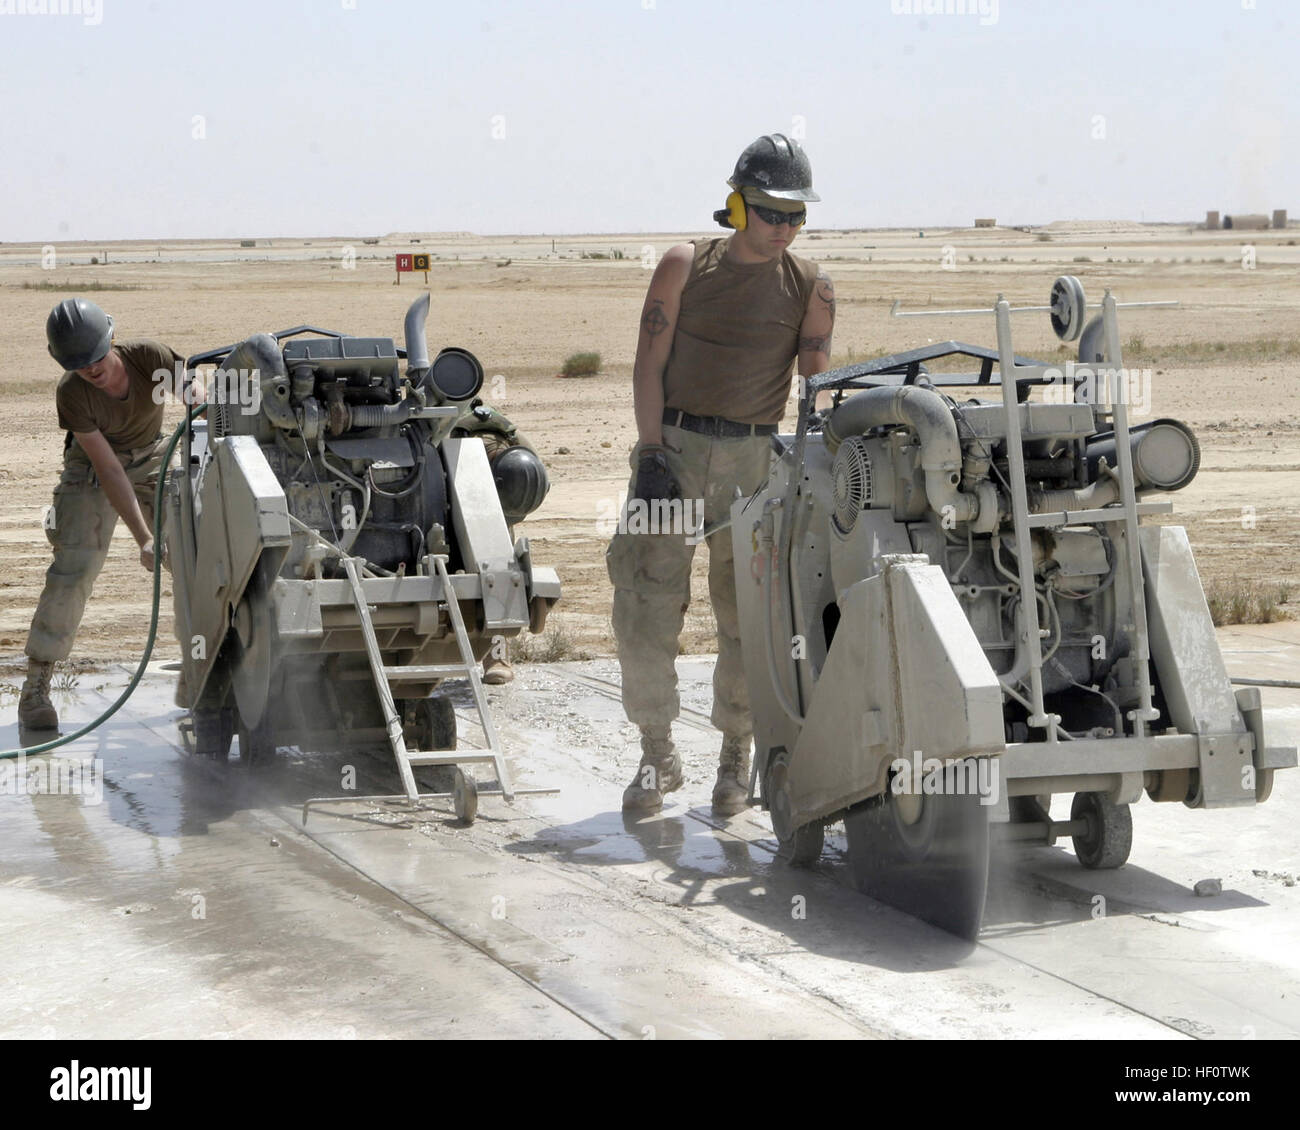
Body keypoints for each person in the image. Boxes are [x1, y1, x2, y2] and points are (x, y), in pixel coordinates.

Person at [607, 133, 835, 815]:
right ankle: (657, 755)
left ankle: (736, 762)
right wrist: (650, 454)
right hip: (672, 453)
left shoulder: (811, 287)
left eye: (796, 217)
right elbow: (648, 363)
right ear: (737, 205)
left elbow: (815, 392)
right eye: (771, 213)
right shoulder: (684, 266)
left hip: (754, 466)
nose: (783, 230)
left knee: (749, 620)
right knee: (645, 606)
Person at [18, 298, 182, 732]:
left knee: (196, 555)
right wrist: (145, 536)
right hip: (92, 470)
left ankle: (205, 669)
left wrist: (202, 396)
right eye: (78, 363)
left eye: (95, 357)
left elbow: (196, 395)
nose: (91, 369)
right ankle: (36, 686)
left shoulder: (151, 358)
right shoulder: (72, 393)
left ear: (111, 338)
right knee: (77, 564)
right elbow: (108, 469)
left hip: (154, 456)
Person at [451, 398, 548, 684]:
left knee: (500, 575)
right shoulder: (451, 429)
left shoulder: (503, 432)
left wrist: (505, 517)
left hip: (496, 502)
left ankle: (498, 657)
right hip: (450, 494)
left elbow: (535, 479)